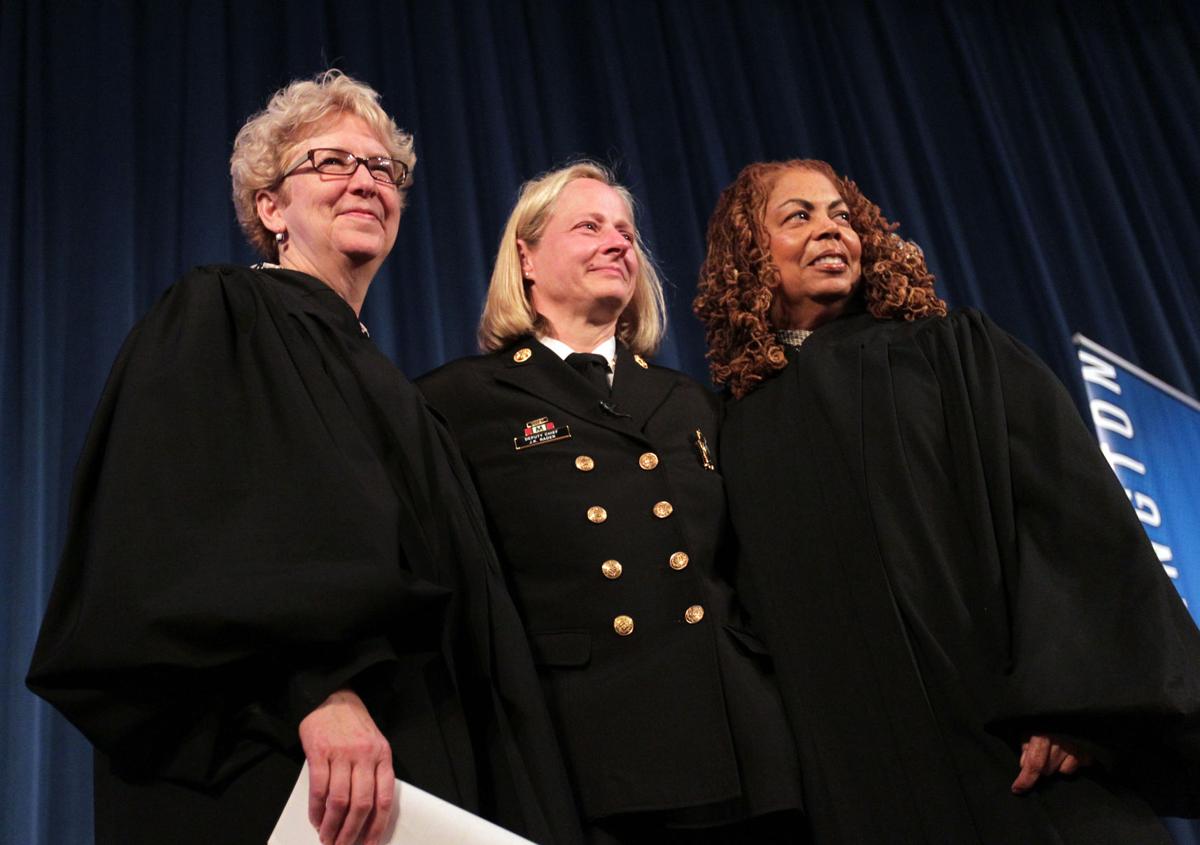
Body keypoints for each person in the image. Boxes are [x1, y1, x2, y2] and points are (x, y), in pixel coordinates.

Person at [27, 70, 581, 845]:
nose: (366, 180)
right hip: (284, 762)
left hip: (413, 781)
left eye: (382, 168)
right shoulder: (222, 315)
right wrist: (322, 690)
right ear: (270, 207)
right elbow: (174, 536)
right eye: (331, 161)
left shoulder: (396, 390)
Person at [693, 158, 1200, 844]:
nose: (830, 230)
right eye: (798, 216)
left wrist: (1080, 710)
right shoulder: (735, 430)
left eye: (842, 216)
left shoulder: (950, 354)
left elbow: (1071, 520)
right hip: (864, 789)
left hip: (1021, 756)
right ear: (748, 254)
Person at [417, 161, 805, 842]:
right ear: (526, 257)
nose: (618, 242)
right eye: (589, 227)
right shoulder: (459, 401)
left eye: (626, 231)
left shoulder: (691, 401)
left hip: (737, 740)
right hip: (591, 750)